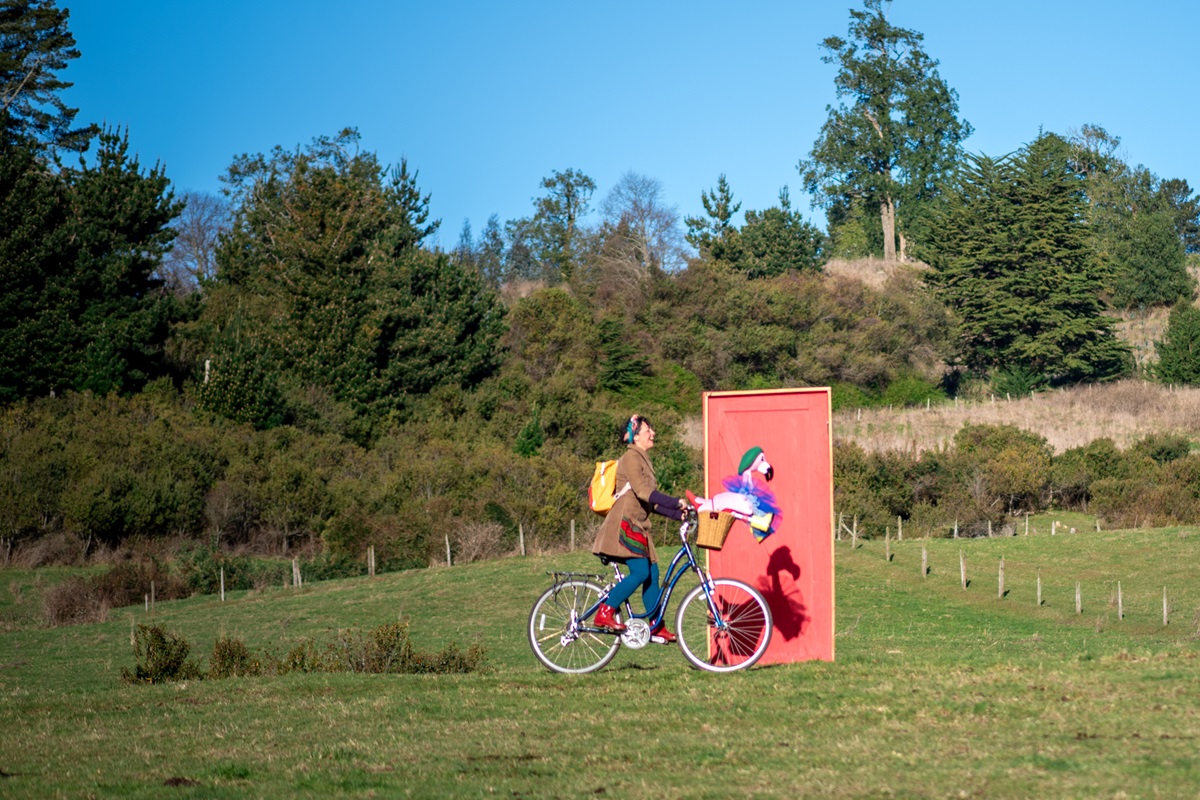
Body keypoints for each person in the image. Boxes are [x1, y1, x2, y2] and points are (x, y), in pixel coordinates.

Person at [591, 414, 688, 644]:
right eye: (648, 431)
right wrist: (675, 501)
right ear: (636, 436)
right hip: (625, 525)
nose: (652, 433)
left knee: (652, 573)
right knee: (641, 572)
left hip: (638, 525)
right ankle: (605, 611)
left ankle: (655, 626)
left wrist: (678, 514)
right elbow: (644, 492)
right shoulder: (631, 458)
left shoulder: (642, 458)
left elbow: (650, 503)